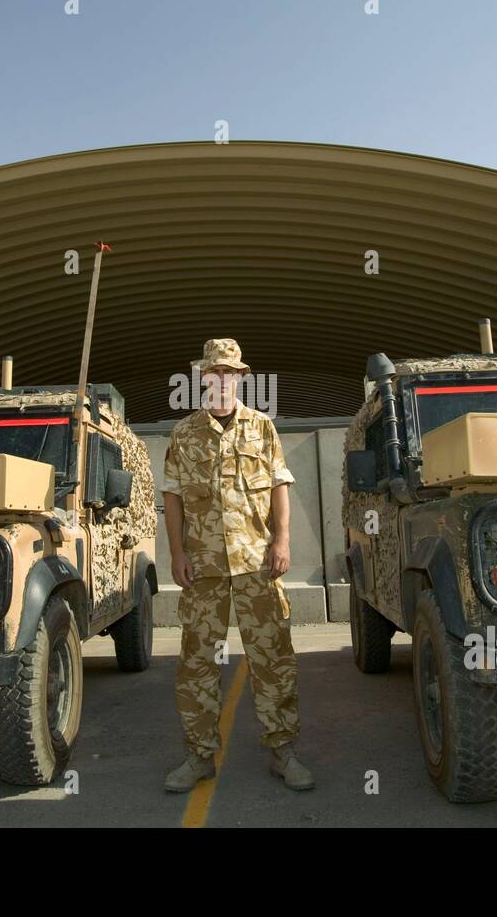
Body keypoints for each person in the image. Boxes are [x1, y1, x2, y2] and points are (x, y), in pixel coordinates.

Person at [161, 338, 313, 792]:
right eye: (214, 373)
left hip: (256, 564)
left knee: (273, 659)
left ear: (241, 379)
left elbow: (279, 486)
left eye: (230, 373)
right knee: (197, 664)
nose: (222, 380)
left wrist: (282, 541)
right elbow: (171, 497)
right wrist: (176, 552)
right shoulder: (184, 433)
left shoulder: (262, 428)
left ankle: (282, 752)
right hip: (203, 568)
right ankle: (198, 756)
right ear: (203, 379)